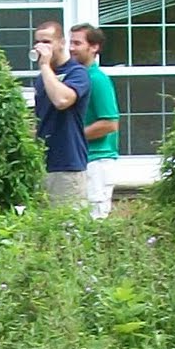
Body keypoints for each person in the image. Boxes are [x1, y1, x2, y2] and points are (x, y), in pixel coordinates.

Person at [31, 20, 90, 207]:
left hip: (68, 164)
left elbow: (62, 101)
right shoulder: (42, 78)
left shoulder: (77, 73)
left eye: (47, 42)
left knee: (68, 222)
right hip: (42, 164)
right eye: (37, 42)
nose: (41, 47)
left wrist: (45, 66)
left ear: (62, 43)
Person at [70, 24, 120, 218]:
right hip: (80, 161)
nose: (71, 48)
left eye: (77, 43)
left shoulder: (98, 80)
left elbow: (109, 124)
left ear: (94, 47)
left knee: (94, 222)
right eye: (70, 43)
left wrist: (71, 137)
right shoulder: (77, 77)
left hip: (97, 162)